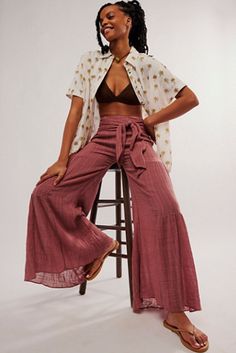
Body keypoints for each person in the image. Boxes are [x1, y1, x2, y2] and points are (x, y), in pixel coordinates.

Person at [24, 1, 209, 351]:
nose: (104, 21)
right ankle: (100, 244)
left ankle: (176, 312)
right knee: (46, 192)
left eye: (111, 15)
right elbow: (75, 112)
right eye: (100, 19)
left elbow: (190, 98)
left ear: (130, 20)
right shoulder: (90, 62)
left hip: (137, 138)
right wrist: (62, 159)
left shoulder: (147, 64)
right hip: (102, 137)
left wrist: (149, 122)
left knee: (168, 209)